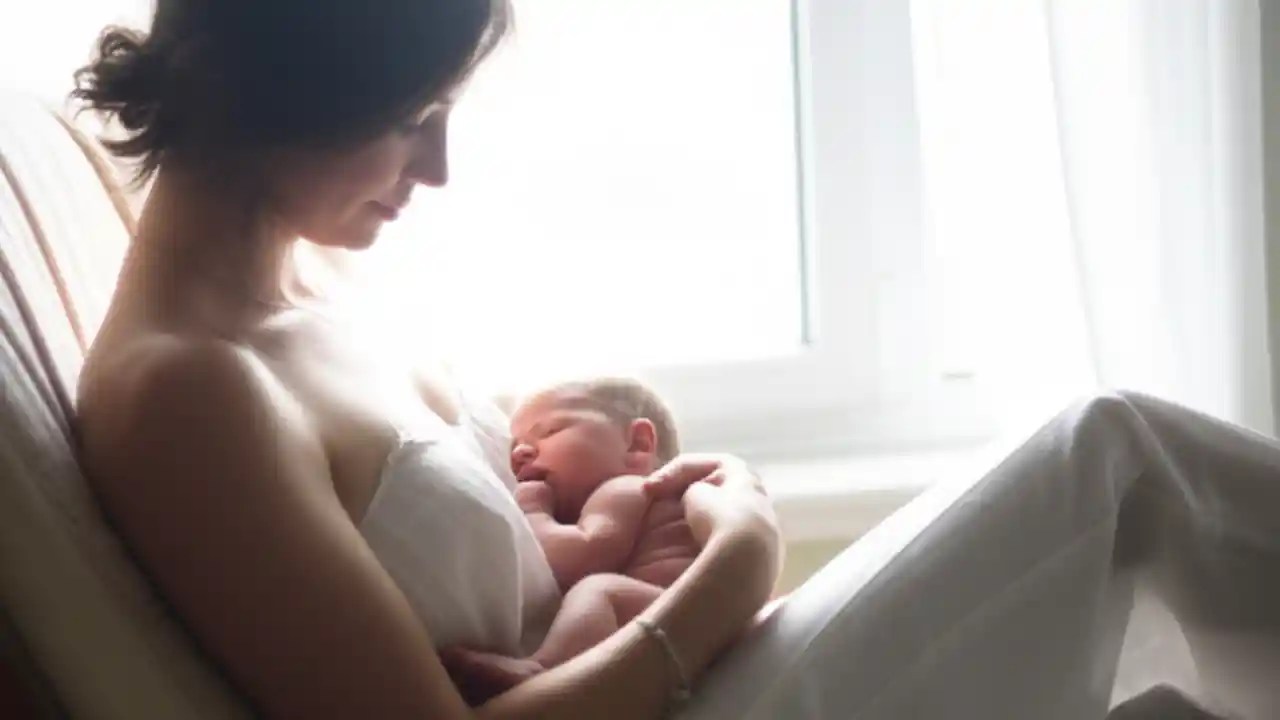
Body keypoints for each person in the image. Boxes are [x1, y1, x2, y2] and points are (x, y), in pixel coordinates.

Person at [72, 1, 1280, 718]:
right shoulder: (188, 390)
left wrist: (641, 506)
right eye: (409, 120)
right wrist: (736, 558)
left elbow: (515, 524)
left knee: (1166, 706)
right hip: (675, 698)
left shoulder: (318, 279)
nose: (433, 171)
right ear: (293, 87)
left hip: (682, 684)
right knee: (1115, 454)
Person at [446, 378, 702, 702]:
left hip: (682, 616)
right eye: (516, 447)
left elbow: (578, 559)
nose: (522, 452)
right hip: (672, 626)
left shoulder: (628, 488)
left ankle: (542, 670)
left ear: (637, 445)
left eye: (550, 431)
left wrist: (532, 511)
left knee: (599, 589)